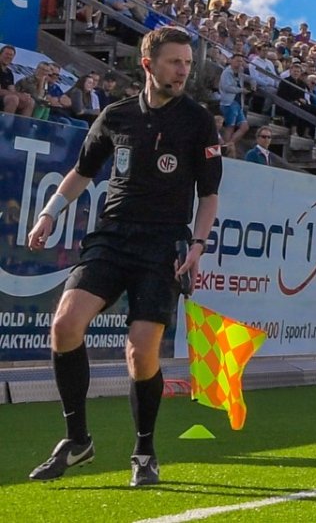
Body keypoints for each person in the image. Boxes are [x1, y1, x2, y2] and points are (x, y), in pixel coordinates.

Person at [25, 26, 222, 486]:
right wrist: (49, 213)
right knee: (65, 325)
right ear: (149, 65)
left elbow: (209, 195)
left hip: (163, 245)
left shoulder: (198, 121)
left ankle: (144, 450)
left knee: (140, 350)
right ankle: (77, 440)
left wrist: (197, 245)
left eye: (188, 63)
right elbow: (81, 172)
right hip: (112, 237)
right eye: (175, 62)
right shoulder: (116, 116)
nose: (183, 71)